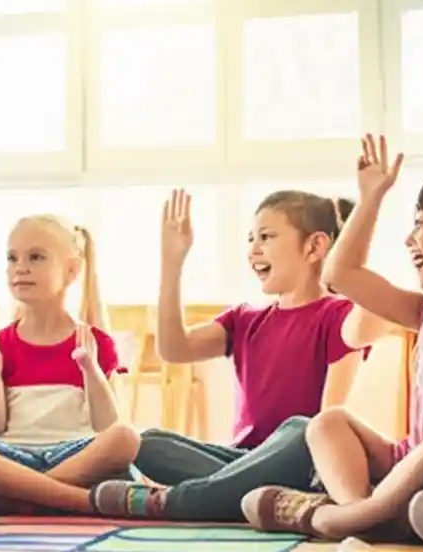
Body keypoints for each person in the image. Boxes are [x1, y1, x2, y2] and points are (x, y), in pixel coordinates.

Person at [241, 135, 423, 544]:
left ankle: (359, 516)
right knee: (327, 423)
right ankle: (363, 511)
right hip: (414, 469)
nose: (408, 239)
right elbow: (340, 275)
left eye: (419, 223)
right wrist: (371, 198)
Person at [90, 188, 389, 520]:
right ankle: (232, 495)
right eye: (251, 238)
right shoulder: (245, 318)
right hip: (241, 460)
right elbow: (174, 348)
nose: (253, 249)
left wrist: (369, 205)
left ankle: (181, 501)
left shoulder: (337, 315)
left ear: (314, 246)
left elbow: (326, 418)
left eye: (266, 237)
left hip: (302, 460)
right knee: (146, 441)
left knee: (301, 428)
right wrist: (172, 263)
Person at [0, 217, 137, 514]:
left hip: (73, 454)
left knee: (126, 438)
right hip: (13, 455)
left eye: (36, 257)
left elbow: (106, 426)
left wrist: (90, 369)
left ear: (71, 270)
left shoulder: (96, 342)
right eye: (12, 258)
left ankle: (21, 496)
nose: (21, 267)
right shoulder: (1, 343)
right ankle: (72, 499)